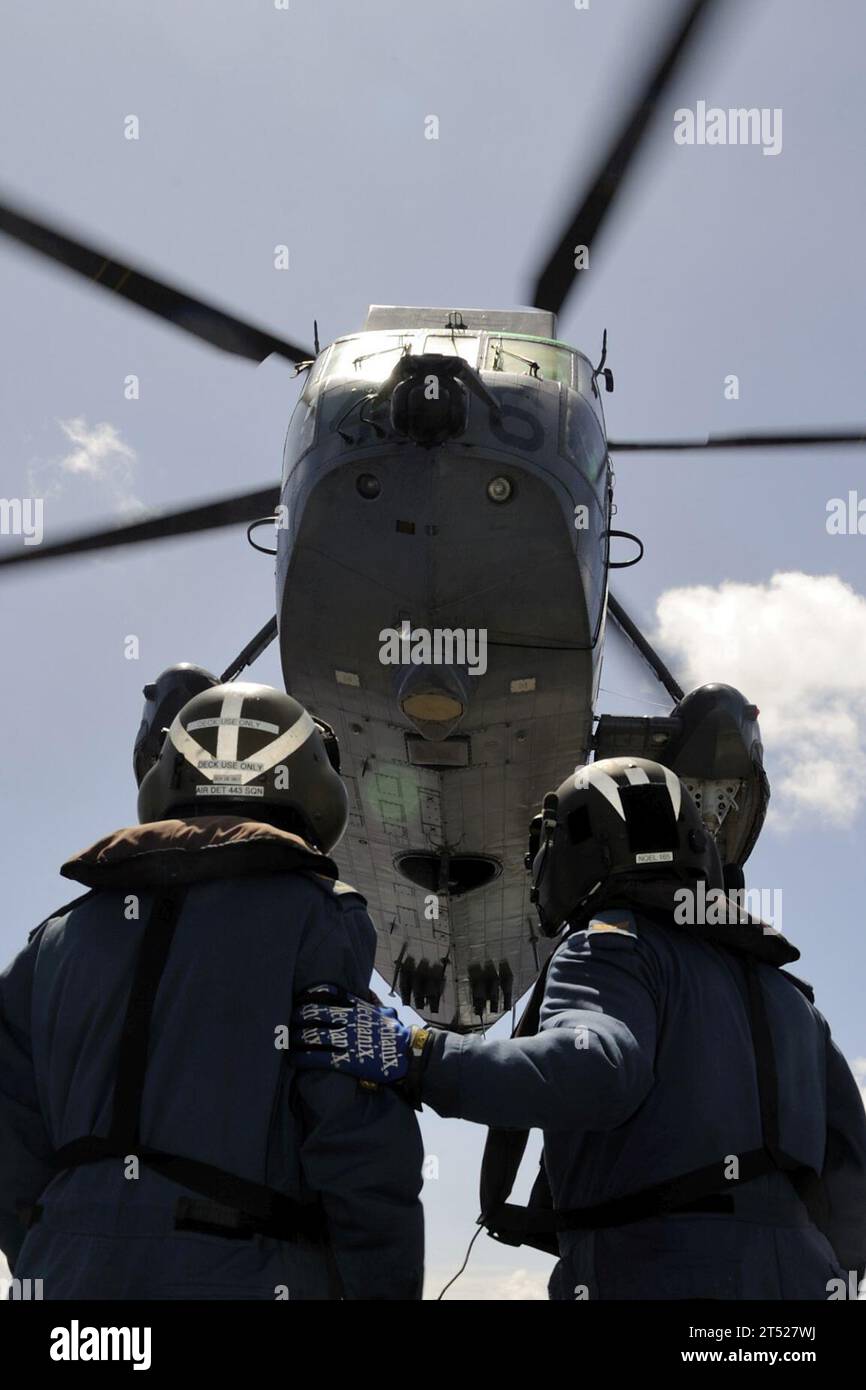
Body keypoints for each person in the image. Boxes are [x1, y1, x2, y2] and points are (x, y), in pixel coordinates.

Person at [290, 757, 866, 1300]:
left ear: (577, 852)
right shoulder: (790, 998)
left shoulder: (610, 947)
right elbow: (852, 1184)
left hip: (657, 1272)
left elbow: (597, 1068)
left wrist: (419, 1057)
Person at [0, 682, 423, 1300]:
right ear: (311, 787)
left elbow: (11, 1139)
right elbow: (357, 1144)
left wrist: (57, 1246)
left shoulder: (56, 937)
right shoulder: (318, 917)